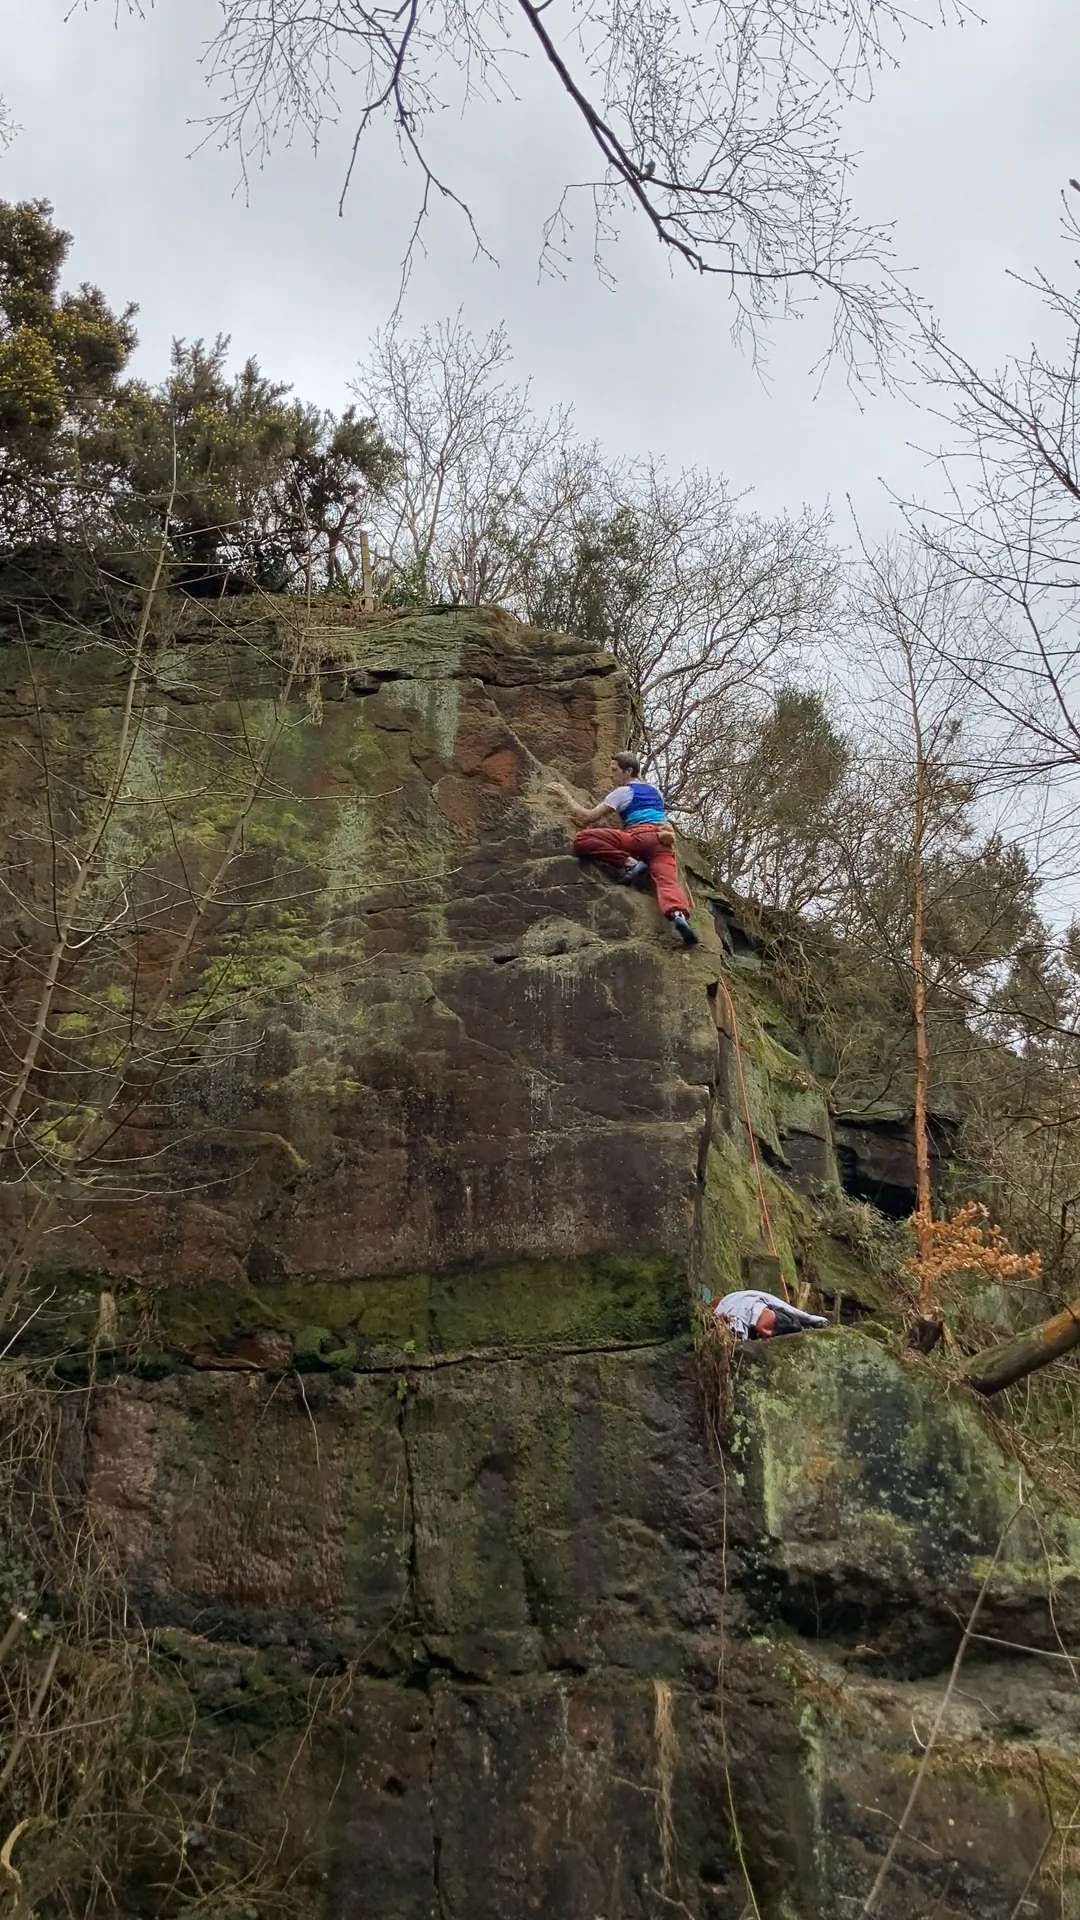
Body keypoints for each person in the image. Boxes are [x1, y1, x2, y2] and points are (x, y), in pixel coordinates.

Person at [554, 751, 699, 946]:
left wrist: (564, 796)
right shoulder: (656, 791)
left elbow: (586, 817)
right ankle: (677, 914)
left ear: (628, 771)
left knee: (582, 839)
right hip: (662, 842)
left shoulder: (623, 792)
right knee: (667, 880)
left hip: (638, 837)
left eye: (614, 770)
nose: (610, 775)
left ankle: (630, 863)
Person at [713, 1289, 828, 1341]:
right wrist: (812, 1319)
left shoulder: (728, 1300)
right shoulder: (760, 1299)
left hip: (735, 1320)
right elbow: (790, 1309)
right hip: (747, 1319)